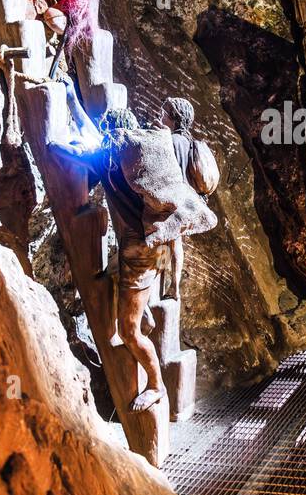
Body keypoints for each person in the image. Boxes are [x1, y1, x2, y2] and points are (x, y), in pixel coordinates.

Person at [47, 79, 170, 413]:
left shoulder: (112, 159)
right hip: (156, 249)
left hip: (139, 255)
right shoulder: (139, 154)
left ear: (112, 134)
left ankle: (157, 386)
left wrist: (53, 141)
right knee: (130, 293)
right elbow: (93, 135)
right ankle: (142, 310)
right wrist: (72, 96)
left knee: (128, 332)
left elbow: (68, 151)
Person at [159, 97, 195, 302]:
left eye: (165, 113)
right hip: (186, 202)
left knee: (164, 242)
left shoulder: (171, 141)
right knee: (176, 243)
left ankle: (160, 280)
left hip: (170, 200)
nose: (161, 116)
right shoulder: (188, 142)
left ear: (173, 118)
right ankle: (174, 287)